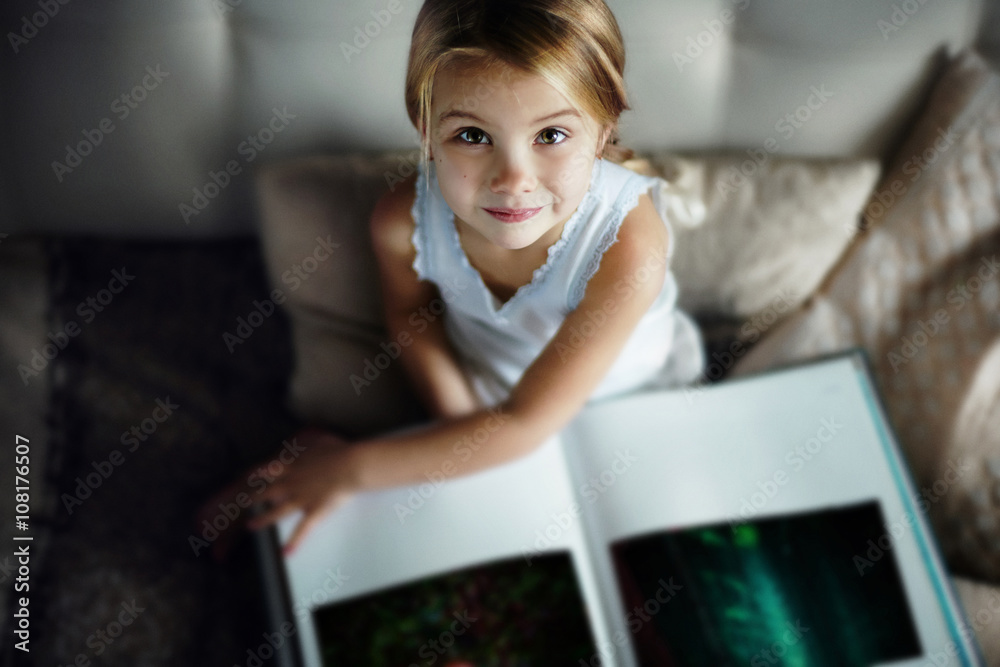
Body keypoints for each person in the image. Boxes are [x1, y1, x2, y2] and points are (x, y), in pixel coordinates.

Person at [215, 0, 703, 556]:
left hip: (628, 403)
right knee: (401, 531)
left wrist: (355, 468)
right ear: (425, 132)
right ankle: (291, 498)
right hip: (489, 391)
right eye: (472, 136)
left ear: (603, 129)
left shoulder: (628, 248)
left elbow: (524, 425)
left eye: (550, 136)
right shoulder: (402, 222)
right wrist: (460, 422)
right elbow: (409, 315)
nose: (513, 180)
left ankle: (326, 466)